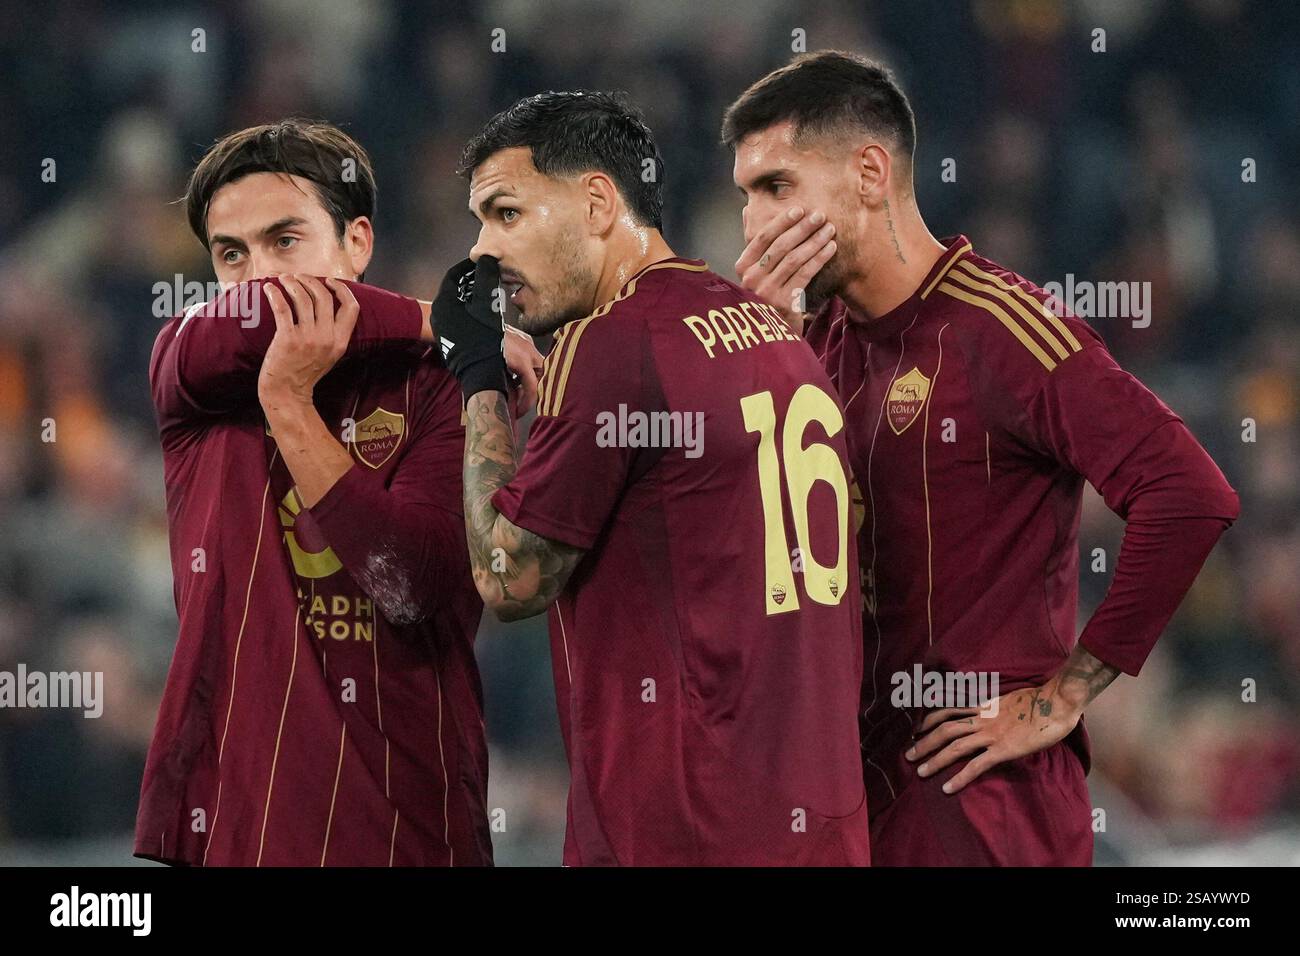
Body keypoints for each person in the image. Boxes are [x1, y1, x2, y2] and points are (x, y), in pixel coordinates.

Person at [724, 51, 1240, 865]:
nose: (752, 226)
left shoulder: (1004, 330)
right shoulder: (807, 352)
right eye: (745, 196)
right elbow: (763, 578)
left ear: (868, 172)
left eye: (777, 187)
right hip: (855, 801)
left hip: (986, 810)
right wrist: (761, 377)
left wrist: (1066, 694)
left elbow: (1188, 493)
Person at [435, 90, 869, 865]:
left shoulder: (613, 344)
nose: (481, 251)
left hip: (681, 834)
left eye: (504, 213)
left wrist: (474, 379)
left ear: (597, 201)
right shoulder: (773, 327)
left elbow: (508, 576)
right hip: (820, 829)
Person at [139, 119, 539, 866]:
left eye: (285, 240)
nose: (256, 274)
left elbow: (411, 583)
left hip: (408, 828)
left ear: (357, 242)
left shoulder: (437, 387)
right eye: (231, 254)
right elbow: (255, 320)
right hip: (236, 831)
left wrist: (289, 406)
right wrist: (440, 321)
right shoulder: (189, 369)